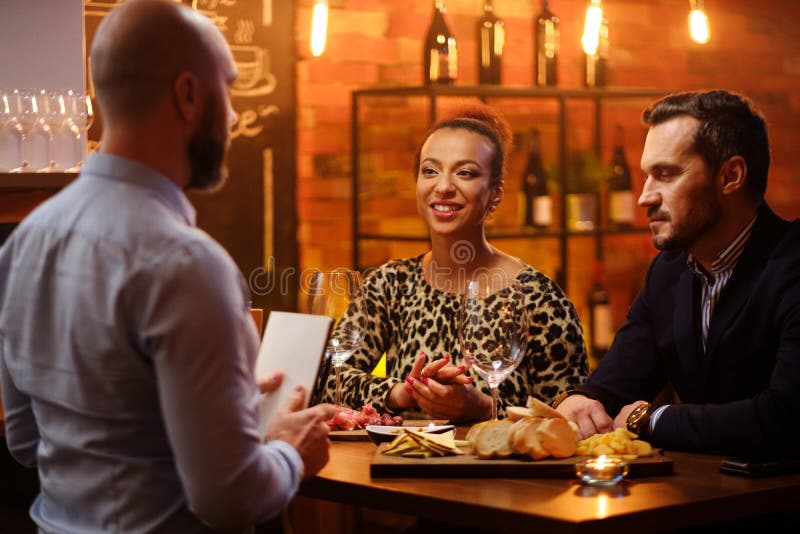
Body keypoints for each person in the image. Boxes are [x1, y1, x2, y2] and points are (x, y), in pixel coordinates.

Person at [0, 1, 333, 532]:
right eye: (228, 90)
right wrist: (291, 451)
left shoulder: (24, 244)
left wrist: (219, 407)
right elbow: (230, 500)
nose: (231, 116)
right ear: (187, 95)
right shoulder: (188, 264)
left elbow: (26, 442)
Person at [555, 90, 800, 456]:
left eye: (666, 175)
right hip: (699, 501)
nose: (645, 197)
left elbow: (785, 418)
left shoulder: (792, 265)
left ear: (730, 175)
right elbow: (615, 383)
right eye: (647, 176)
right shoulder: (668, 271)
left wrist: (651, 420)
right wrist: (579, 400)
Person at [321, 103, 589, 422]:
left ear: (495, 193)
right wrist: (403, 392)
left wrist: (485, 412)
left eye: (465, 172)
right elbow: (329, 381)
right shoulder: (390, 284)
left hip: (505, 471)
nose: (444, 186)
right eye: (430, 170)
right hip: (404, 468)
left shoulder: (540, 299)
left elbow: (573, 419)